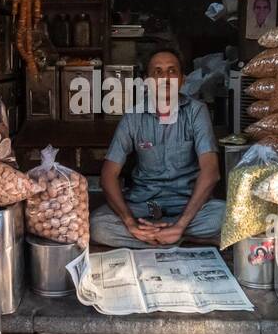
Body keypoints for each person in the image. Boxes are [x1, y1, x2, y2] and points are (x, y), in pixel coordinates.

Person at [89, 49, 226, 248]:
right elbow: (108, 175)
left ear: (182, 79)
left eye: (172, 71)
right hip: (143, 205)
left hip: (187, 205)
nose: (165, 78)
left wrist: (181, 224)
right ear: (147, 81)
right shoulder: (133, 116)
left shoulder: (196, 111)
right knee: (98, 225)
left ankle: (168, 235)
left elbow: (211, 171)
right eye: (158, 72)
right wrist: (130, 222)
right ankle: (172, 237)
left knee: (227, 217)